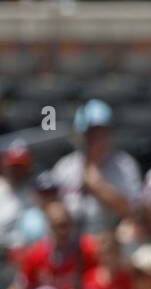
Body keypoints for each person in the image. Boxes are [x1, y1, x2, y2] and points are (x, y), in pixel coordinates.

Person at [50, 99, 141, 236]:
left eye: (101, 133)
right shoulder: (65, 167)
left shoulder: (124, 165)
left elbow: (134, 211)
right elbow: (52, 208)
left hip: (111, 240)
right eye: (91, 133)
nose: (97, 139)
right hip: (72, 240)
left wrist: (98, 185)